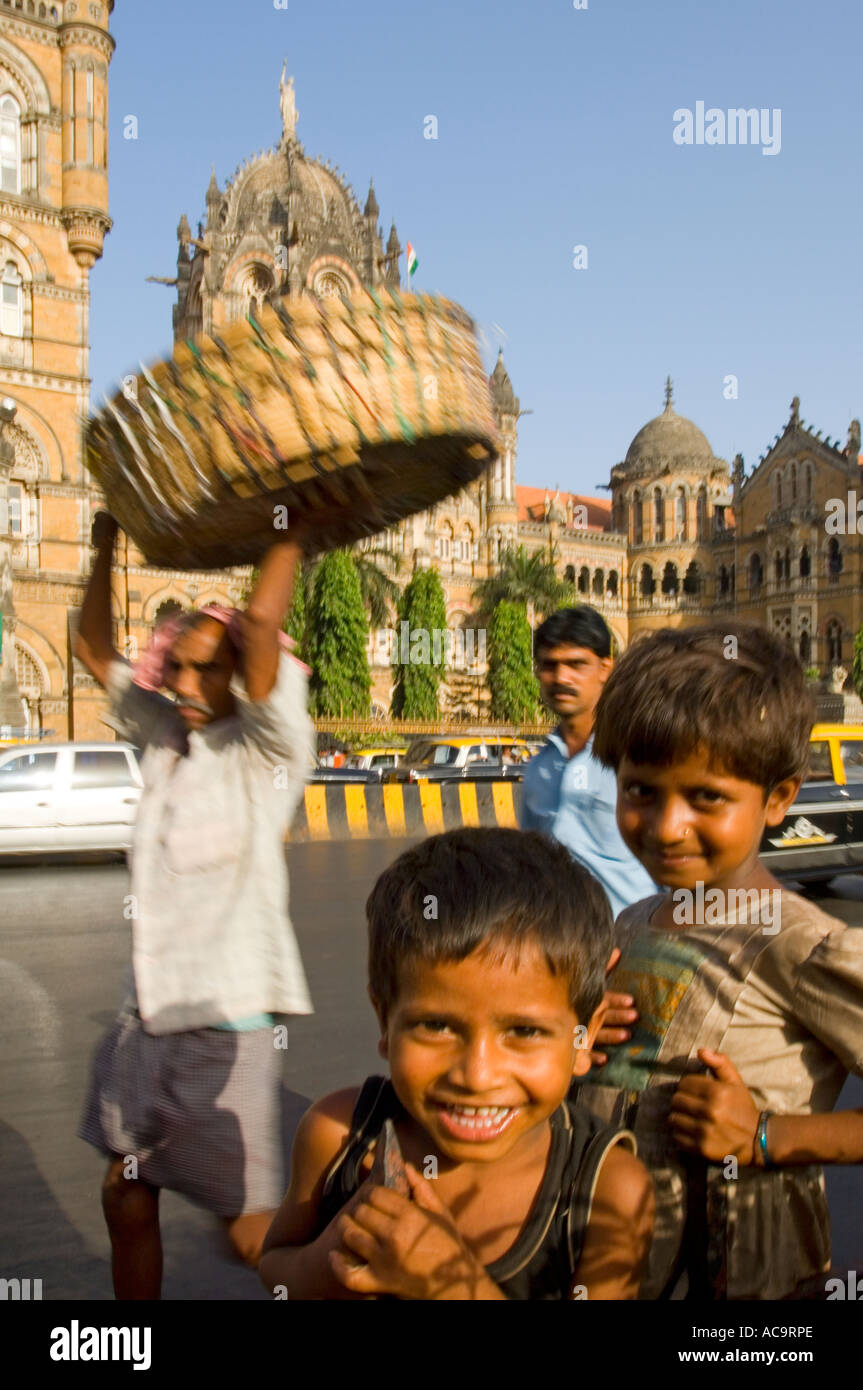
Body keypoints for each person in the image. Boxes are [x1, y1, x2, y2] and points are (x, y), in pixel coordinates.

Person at [575, 622, 863, 1300]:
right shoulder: (631, 922)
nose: (667, 826)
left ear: (777, 799)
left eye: (705, 797)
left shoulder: (801, 943)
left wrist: (762, 1136)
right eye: (640, 791)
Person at [75, 512, 316, 1299]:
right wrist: (105, 541)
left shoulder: (268, 750)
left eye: (202, 669)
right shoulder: (167, 736)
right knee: (125, 1191)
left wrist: (292, 521)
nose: (181, 682)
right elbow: (92, 651)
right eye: (175, 666)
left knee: (251, 1234)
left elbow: (262, 620)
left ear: (243, 675)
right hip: (144, 1021)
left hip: (224, 1028)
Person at [258, 827, 654, 1300]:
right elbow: (275, 1265)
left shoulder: (609, 1192)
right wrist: (332, 1257)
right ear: (385, 1019)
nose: (476, 1075)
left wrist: (451, 1285)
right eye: (436, 1027)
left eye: (524, 1032)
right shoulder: (337, 1134)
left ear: (585, 1036)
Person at [520, 606, 656, 919]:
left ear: (605, 668)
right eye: (549, 665)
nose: (561, 678)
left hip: (634, 944)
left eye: (576, 664)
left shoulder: (639, 757)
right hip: (565, 948)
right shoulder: (538, 768)